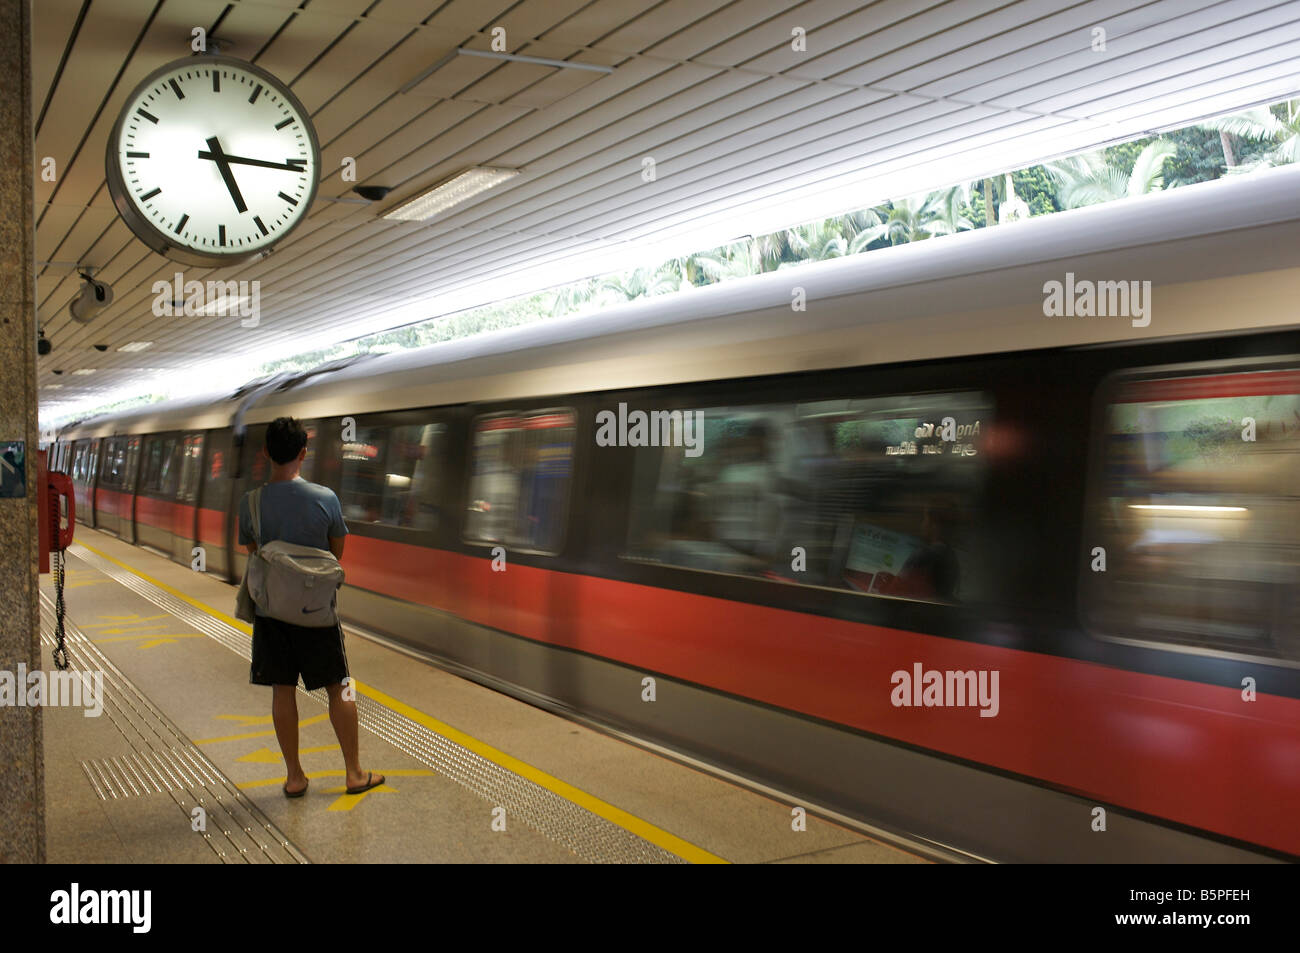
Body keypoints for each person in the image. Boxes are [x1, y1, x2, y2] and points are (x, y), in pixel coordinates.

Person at [238, 417, 384, 798]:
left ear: (266, 452)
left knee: (282, 690)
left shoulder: (251, 503)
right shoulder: (325, 499)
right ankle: (353, 773)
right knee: (340, 688)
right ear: (304, 453)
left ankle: (295, 777)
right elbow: (335, 555)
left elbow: (255, 555)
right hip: (318, 613)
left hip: (271, 615)